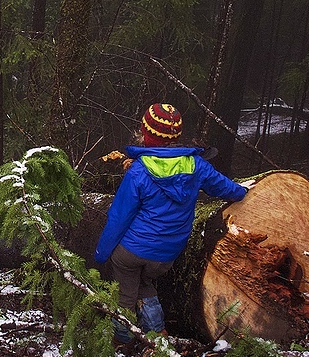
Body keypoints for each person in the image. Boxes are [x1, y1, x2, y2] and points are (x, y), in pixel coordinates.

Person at [94, 103, 252, 341]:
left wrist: (101, 252)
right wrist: (243, 191)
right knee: (145, 284)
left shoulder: (139, 171)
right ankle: (158, 332)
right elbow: (226, 189)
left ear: (146, 134)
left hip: (134, 250)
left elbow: (119, 217)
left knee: (125, 291)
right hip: (167, 254)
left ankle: (121, 341)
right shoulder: (196, 166)